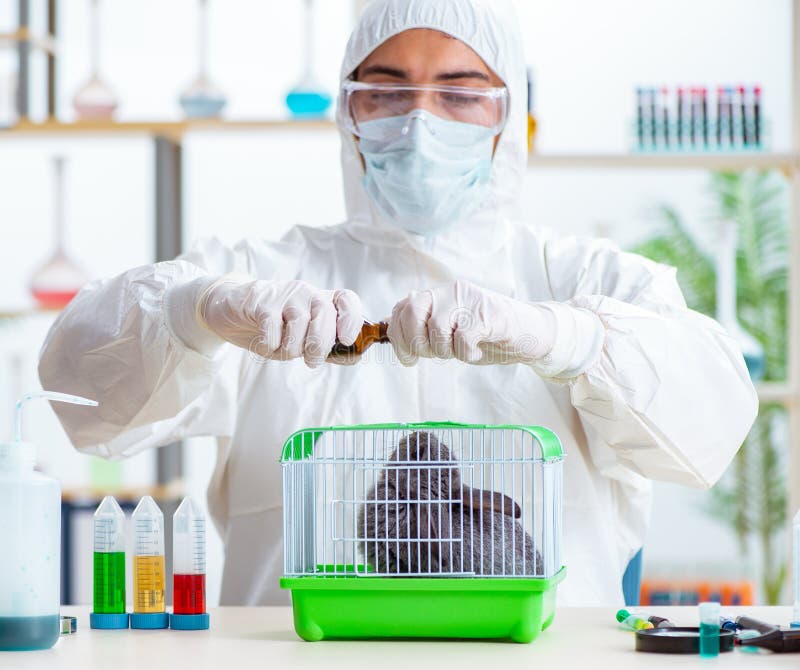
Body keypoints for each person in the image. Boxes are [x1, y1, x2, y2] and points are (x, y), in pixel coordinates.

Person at [38, 0, 757, 606]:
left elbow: (713, 422)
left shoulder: (582, 278)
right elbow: (79, 393)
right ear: (347, 110)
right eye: (384, 90)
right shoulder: (265, 276)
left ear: (509, 116)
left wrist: (563, 338)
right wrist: (198, 311)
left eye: (460, 92)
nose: (418, 123)